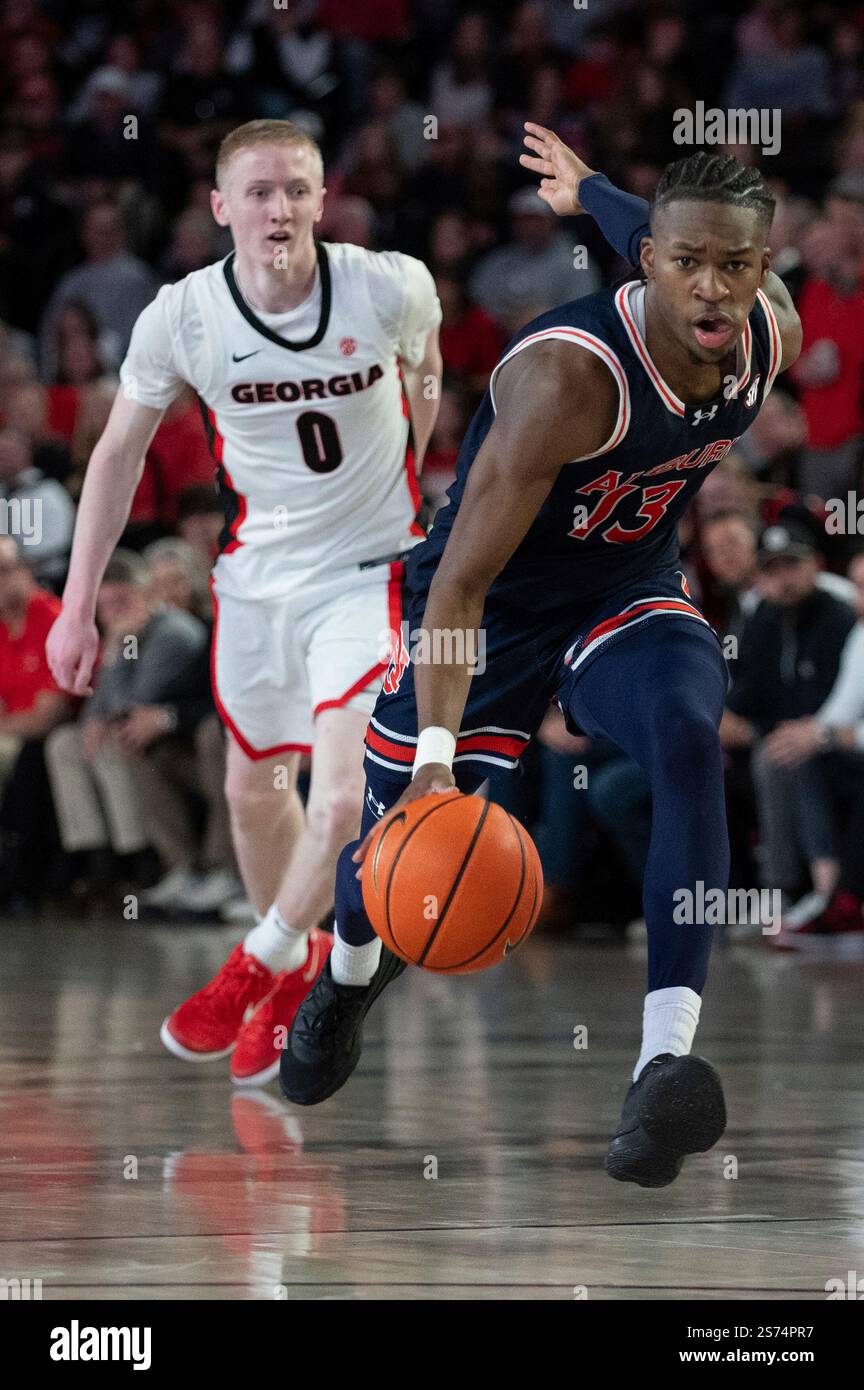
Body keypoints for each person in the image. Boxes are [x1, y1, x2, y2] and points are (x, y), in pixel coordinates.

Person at [279, 127, 803, 1190]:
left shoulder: (767, 332)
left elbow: (662, 233)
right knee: (392, 863)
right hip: (489, 602)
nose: (714, 287)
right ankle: (346, 971)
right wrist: (434, 755)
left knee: (686, 733)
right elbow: (465, 586)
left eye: (738, 266)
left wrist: (593, 191)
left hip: (626, 588)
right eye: (688, 261)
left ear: (763, 269)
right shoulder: (569, 380)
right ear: (649, 264)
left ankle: (662, 1065)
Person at [46, 118, 442, 1088]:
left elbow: (426, 375)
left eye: (297, 189)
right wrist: (76, 602)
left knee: (342, 794)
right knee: (249, 792)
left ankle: (253, 963)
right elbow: (116, 455)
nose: (279, 208)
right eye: (259, 191)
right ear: (221, 207)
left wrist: (412, 476)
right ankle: (299, 957)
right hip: (258, 576)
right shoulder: (182, 316)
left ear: (323, 197)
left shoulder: (390, 283)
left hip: (368, 568)